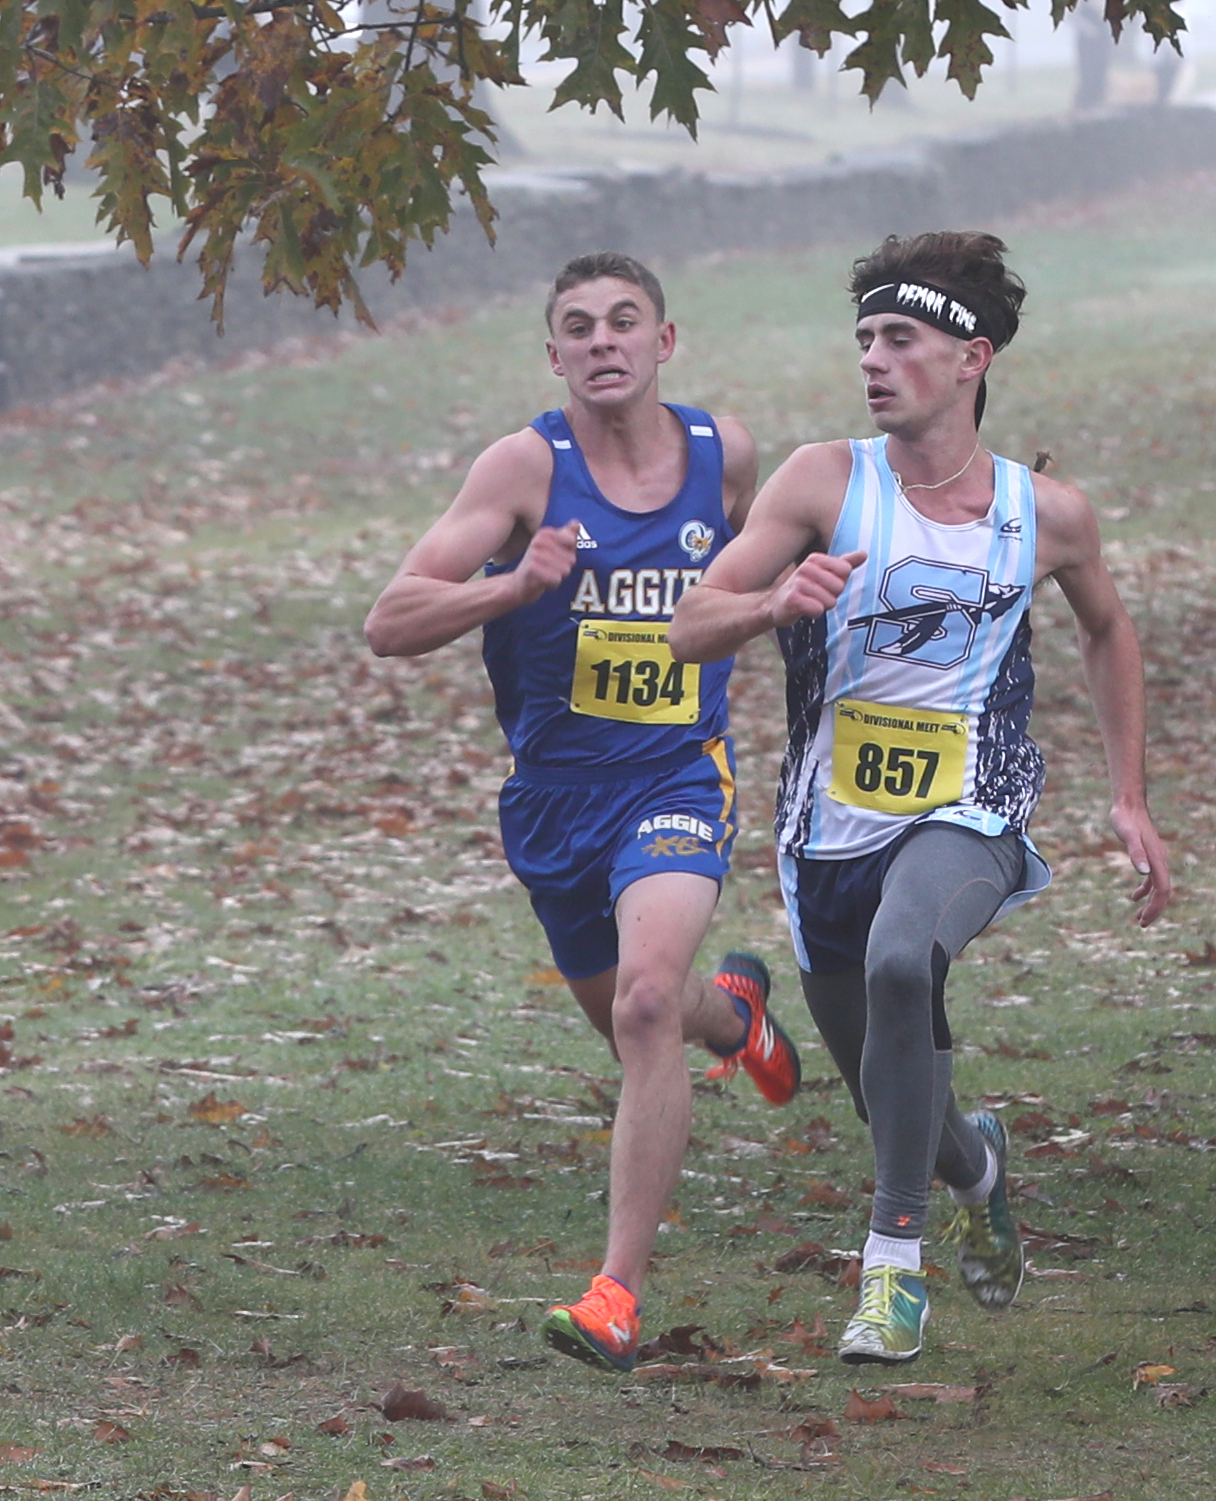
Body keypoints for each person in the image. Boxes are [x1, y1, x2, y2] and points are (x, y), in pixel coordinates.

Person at [670, 232, 1171, 1366]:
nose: (874, 360)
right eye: (864, 340)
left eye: (901, 339)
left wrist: (1129, 795)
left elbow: (1106, 629)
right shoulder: (822, 480)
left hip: (972, 810)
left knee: (909, 962)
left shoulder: (1047, 513)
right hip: (828, 832)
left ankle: (890, 1271)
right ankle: (976, 1163)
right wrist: (768, 605)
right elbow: (690, 621)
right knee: (892, 1086)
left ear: (971, 358)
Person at [365, 251, 803, 1374]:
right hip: (556, 801)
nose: (601, 341)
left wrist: (775, 607)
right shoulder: (523, 469)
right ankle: (737, 1012)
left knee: (644, 1008)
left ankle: (615, 1293)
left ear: (664, 343)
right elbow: (392, 619)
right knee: (641, 1011)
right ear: (552, 353)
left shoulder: (726, 455)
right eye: (578, 326)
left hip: (677, 777)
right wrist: (510, 588)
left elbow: (755, 566)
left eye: (623, 322)